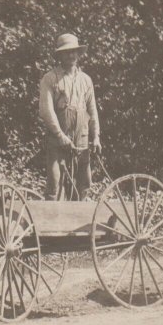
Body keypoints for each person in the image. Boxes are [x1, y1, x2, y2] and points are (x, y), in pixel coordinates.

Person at [39, 33, 102, 200]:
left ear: (79, 54)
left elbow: (92, 110)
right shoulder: (50, 78)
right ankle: (52, 225)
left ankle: (82, 224)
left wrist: (96, 137)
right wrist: (60, 136)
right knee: (55, 185)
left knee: (83, 186)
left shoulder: (86, 80)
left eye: (74, 51)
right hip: (58, 141)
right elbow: (46, 111)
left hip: (81, 140)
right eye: (67, 52)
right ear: (59, 54)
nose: (71, 55)